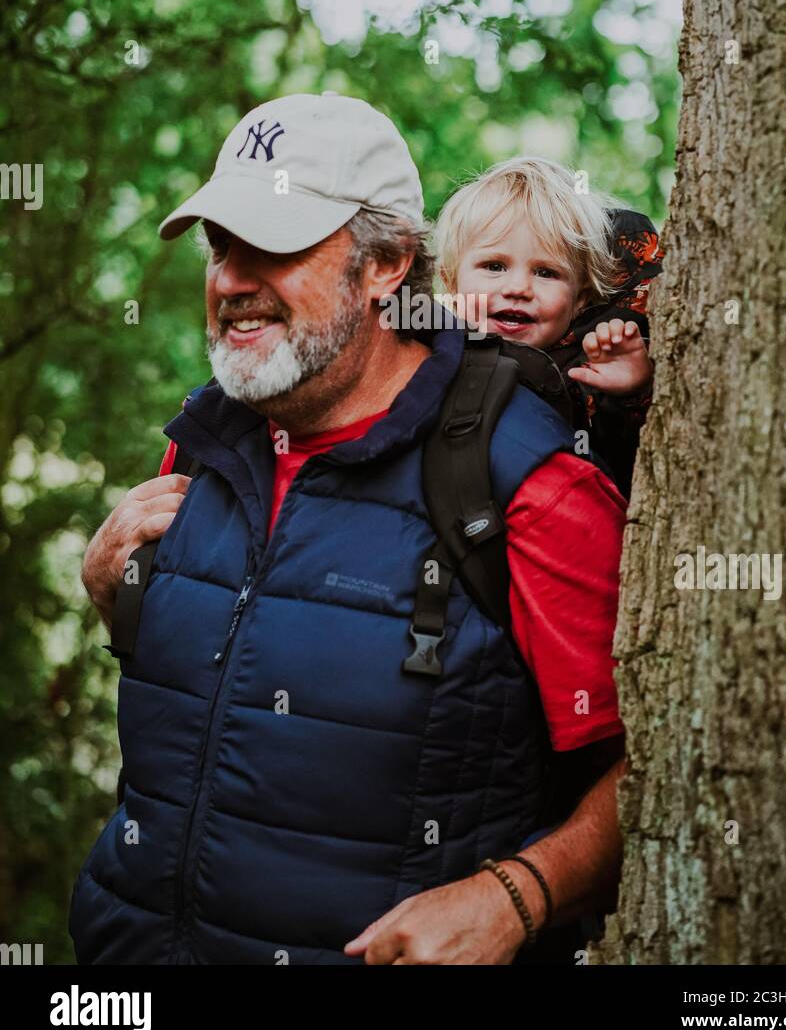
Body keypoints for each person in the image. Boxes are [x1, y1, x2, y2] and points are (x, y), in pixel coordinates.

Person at [70, 93, 627, 966]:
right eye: (222, 245)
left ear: (387, 265)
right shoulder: (200, 445)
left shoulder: (521, 481)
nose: (231, 281)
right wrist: (115, 600)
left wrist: (514, 899)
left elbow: (656, 767)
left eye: (277, 246)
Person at [435, 156, 663, 496]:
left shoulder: (590, 372)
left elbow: (634, 475)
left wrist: (631, 395)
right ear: (451, 282)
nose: (518, 289)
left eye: (546, 273)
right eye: (494, 266)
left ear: (581, 297)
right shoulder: (430, 364)